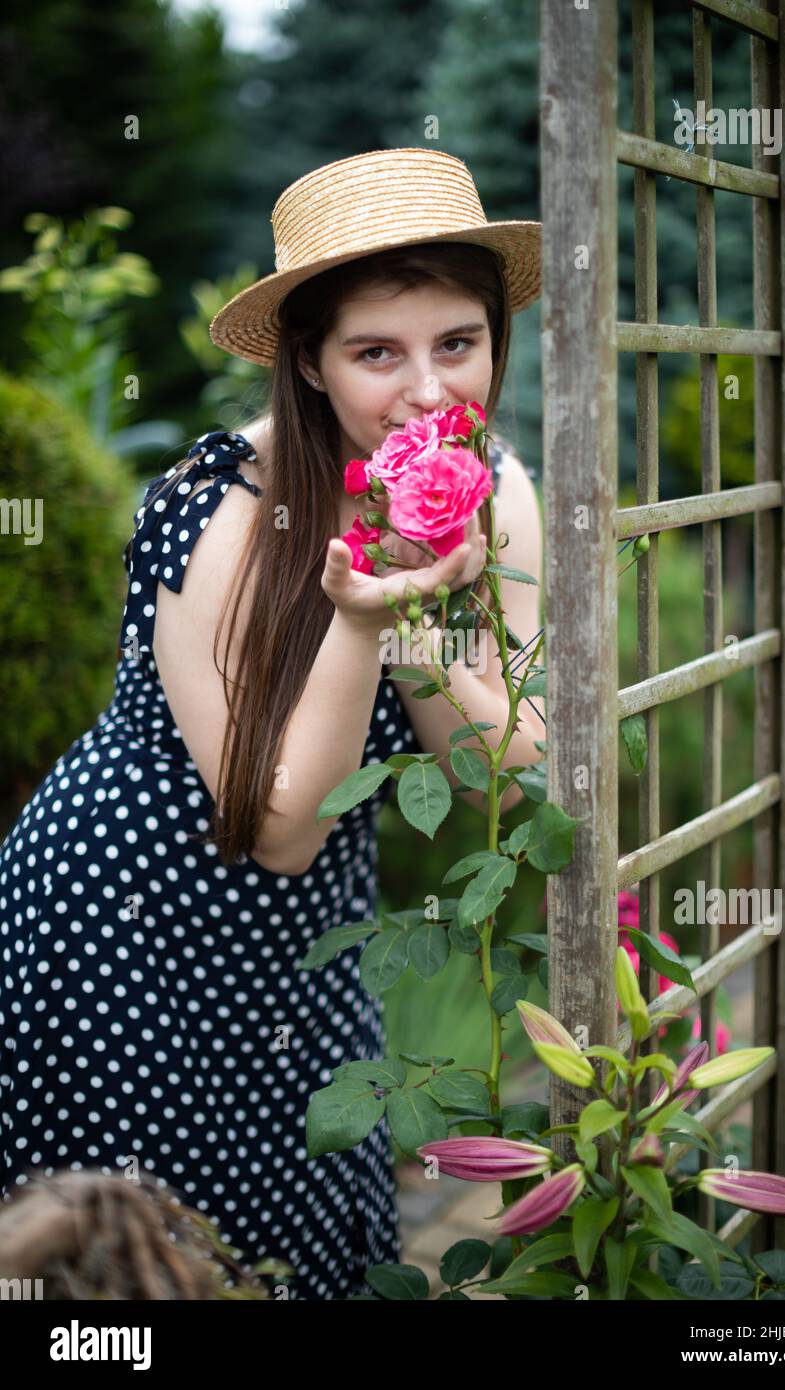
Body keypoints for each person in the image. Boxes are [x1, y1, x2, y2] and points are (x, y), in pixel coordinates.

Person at [0, 147, 545, 1300]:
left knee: (300, 1239)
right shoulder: (219, 514)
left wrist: (421, 618)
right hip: (129, 919)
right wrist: (365, 610)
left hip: (300, 945)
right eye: (375, 354)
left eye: (457, 342)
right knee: (139, 1268)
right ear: (307, 363)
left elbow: (507, 771)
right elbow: (278, 827)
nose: (428, 392)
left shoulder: (494, 488)